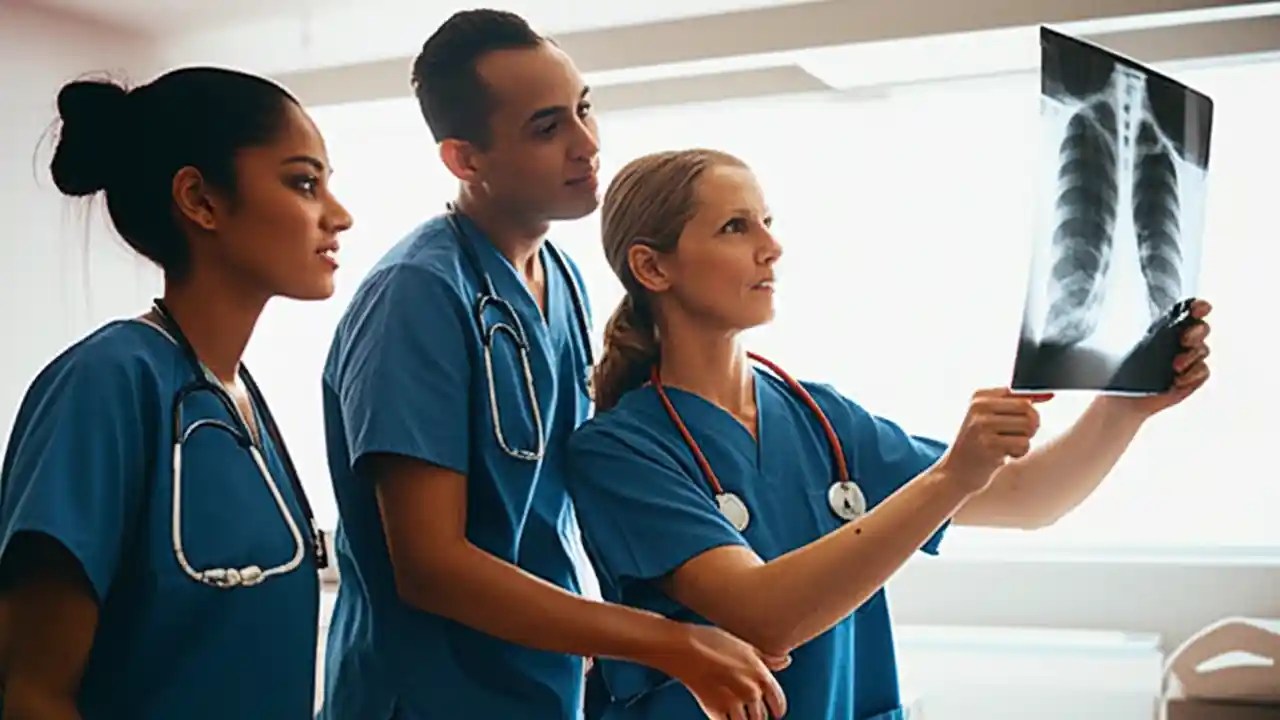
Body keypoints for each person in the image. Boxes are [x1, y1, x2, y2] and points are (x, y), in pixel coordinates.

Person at [565, 148, 1214, 720]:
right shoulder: (619, 450)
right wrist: (953, 476)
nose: (772, 246)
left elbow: (1029, 498)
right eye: (735, 227)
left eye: (767, 220)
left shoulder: (819, 418)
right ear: (653, 268)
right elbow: (765, 616)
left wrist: (1125, 407)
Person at [318, 9, 790, 720]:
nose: (587, 144)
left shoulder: (562, 279)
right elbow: (431, 567)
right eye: (547, 128)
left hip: (538, 687)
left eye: (584, 109)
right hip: (427, 698)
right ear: (465, 160)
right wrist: (670, 643)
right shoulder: (417, 293)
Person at [0, 67, 352, 719]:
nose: (340, 216)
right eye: (304, 183)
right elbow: (32, 693)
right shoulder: (107, 384)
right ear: (200, 200)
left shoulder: (235, 397)